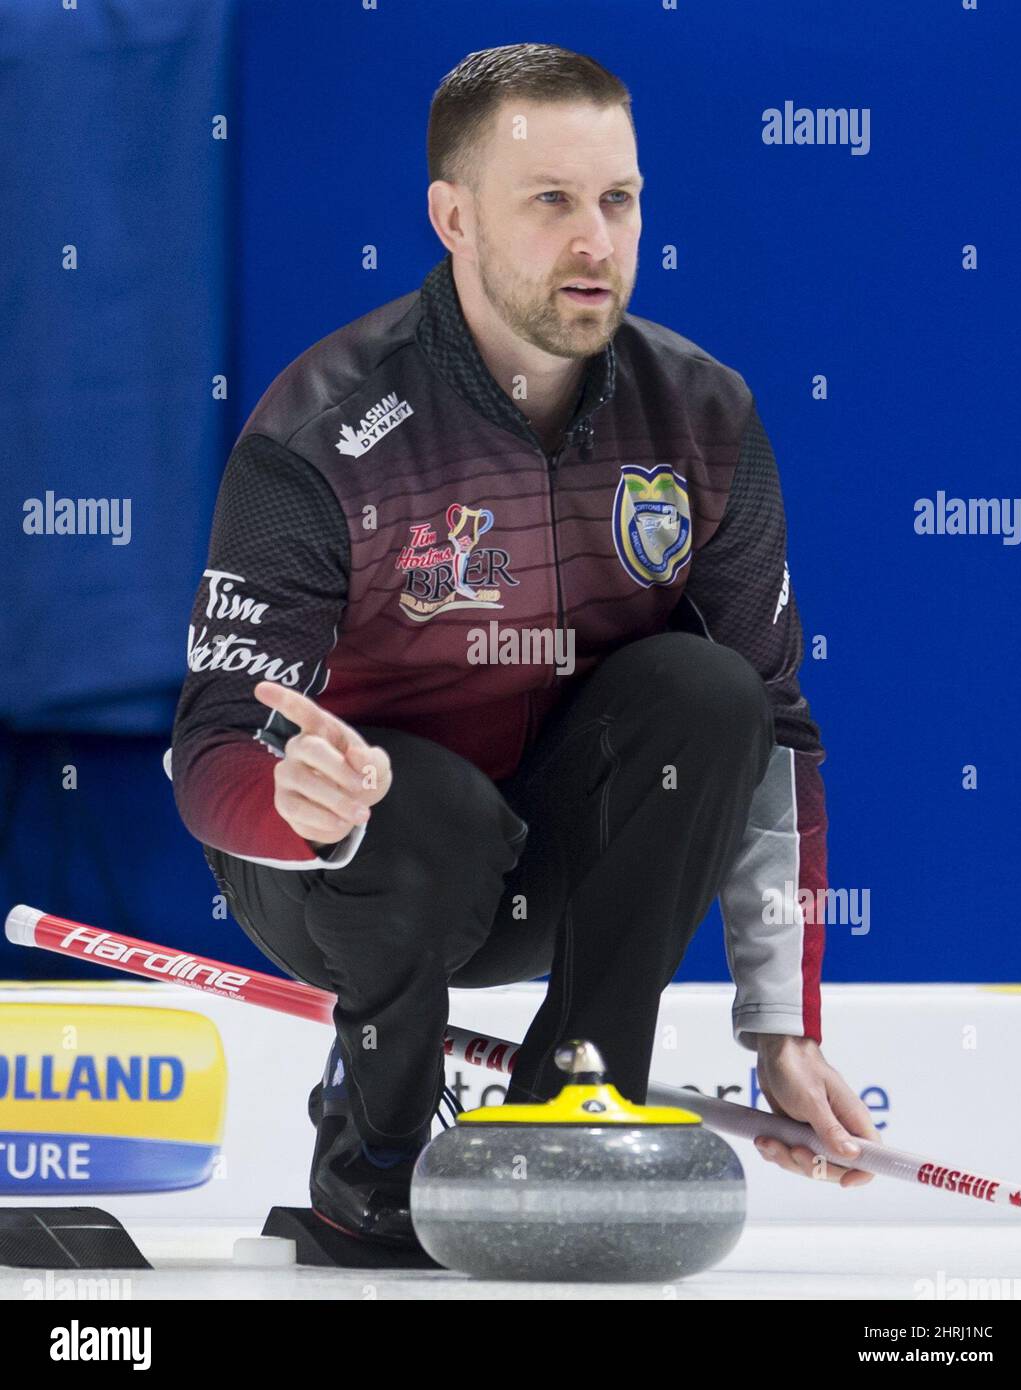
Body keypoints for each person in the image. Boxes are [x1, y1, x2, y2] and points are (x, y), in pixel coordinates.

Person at [165, 43, 876, 1250]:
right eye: (549, 201)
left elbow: (773, 729)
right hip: (347, 861)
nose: (595, 241)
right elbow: (211, 747)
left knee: (710, 697)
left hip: (550, 863)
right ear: (452, 217)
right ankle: (370, 1158)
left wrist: (779, 1018)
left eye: (618, 198)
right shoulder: (323, 429)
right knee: (421, 808)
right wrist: (304, 805)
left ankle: (566, 1113)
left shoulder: (702, 414)